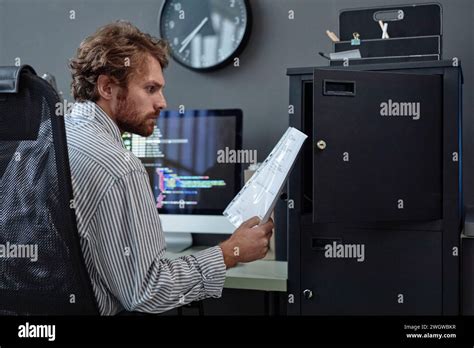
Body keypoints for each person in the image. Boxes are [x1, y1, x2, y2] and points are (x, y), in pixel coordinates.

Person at [65, 21, 273, 315]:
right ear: (107, 87)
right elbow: (149, 291)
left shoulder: (43, 139)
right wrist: (230, 252)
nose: (162, 102)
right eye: (150, 89)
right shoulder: (120, 167)